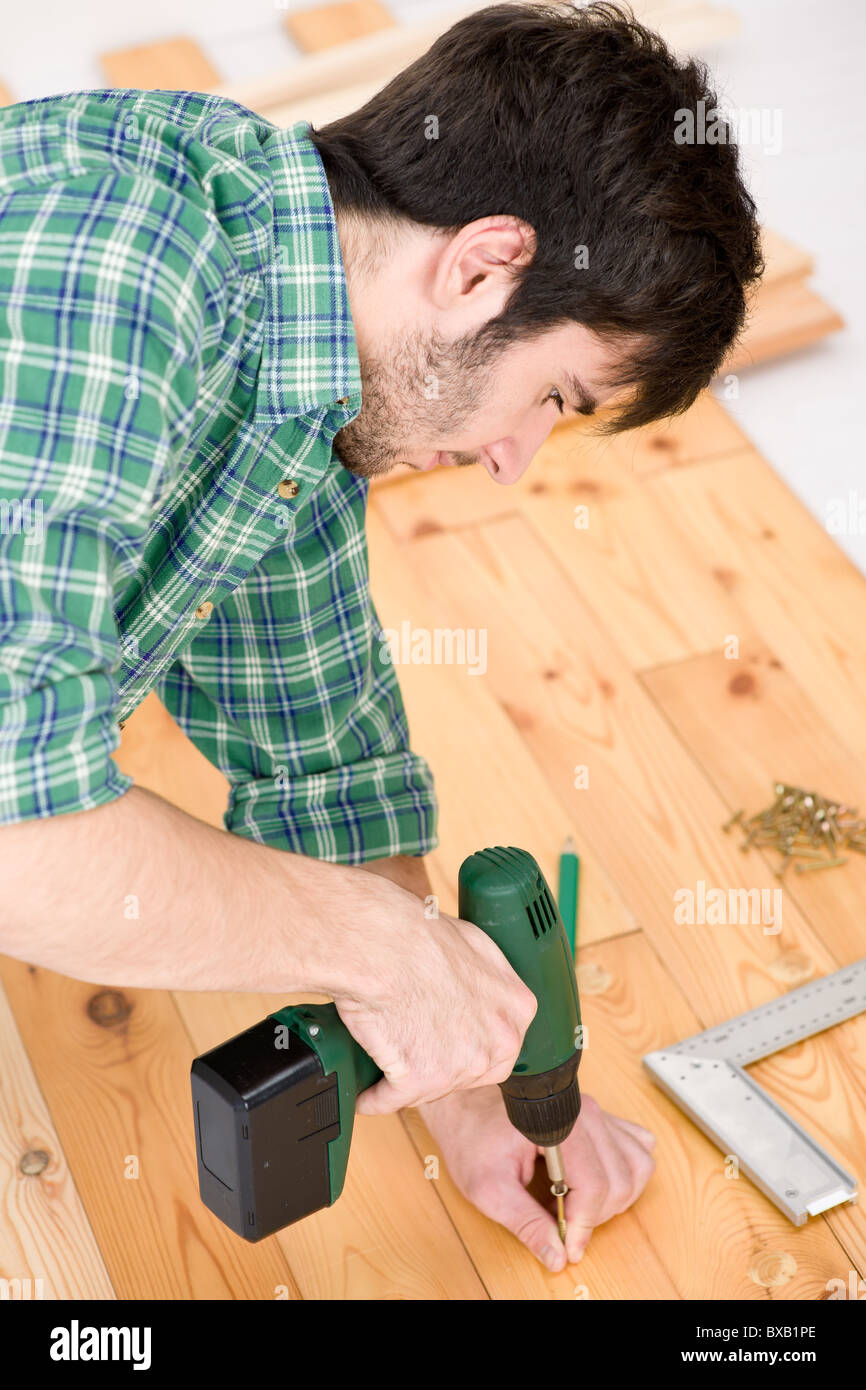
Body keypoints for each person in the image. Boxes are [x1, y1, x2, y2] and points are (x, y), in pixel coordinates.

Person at [0, 2, 762, 1272]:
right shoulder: (118, 269)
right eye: (553, 399)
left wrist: (466, 1074)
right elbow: (17, 824)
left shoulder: (289, 371)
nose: (514, 462)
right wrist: (385, 952)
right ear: (478, 267)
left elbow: (328, 771)